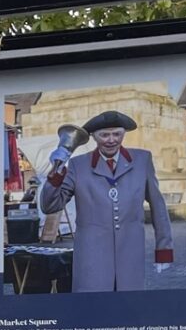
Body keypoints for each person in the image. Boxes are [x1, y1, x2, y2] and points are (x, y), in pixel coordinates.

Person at [35, 110, 173, 292]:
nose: (111, 140)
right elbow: (50, 206)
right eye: (105, 135)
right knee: (93, 308)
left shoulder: (142, 160)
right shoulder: (77, 165)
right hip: (91, 259)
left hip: (130, 256)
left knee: (129, 307)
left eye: (117, 134)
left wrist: (164, 249)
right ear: (93, 136)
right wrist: (56, 172)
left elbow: (158, 206)